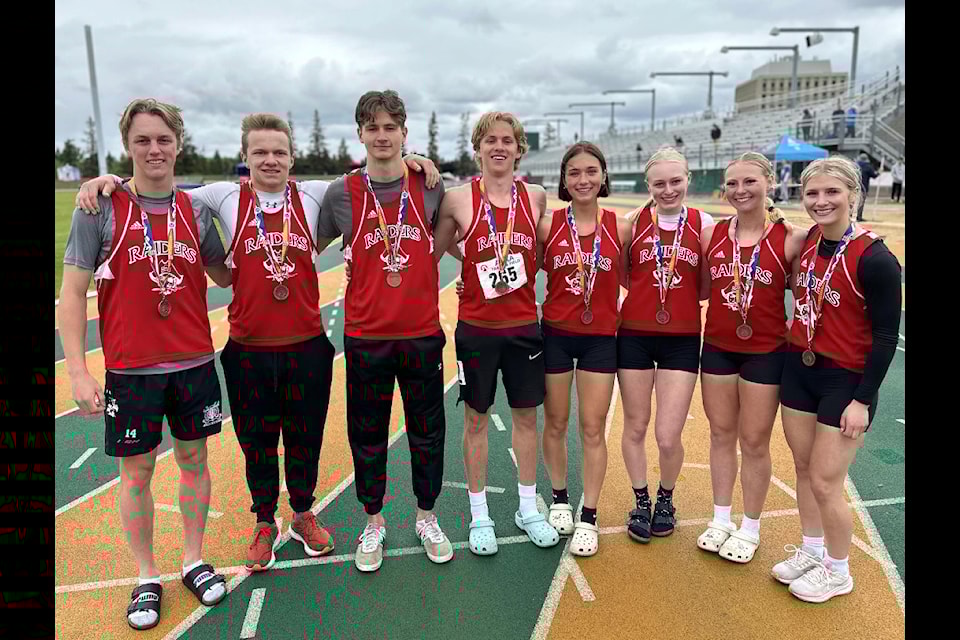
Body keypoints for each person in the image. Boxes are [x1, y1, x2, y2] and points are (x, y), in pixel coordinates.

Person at [75, 114, 440, 574]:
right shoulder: (218, 196)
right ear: (244, 158)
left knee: (305, 438)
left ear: (292, 158)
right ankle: (265, 519)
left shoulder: (316, 195)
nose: (270, 160)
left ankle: (303, 513)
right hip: (247, 348)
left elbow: (376, 169)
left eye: (279, 152)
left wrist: (413, 159)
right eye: (260, 153)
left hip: (307, 344)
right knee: (257, 441)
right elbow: (156, 186)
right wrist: (109, 181)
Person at [62, 98, 231, 630]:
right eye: (143, 140)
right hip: (131, 370)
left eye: (163, 139)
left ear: (178, 144)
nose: (153, 149)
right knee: (135, 473)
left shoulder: (197, 210)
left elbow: (224, 274)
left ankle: (193, 561)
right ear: (127, 145)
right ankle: (146, 576)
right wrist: (77, 370)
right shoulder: (99, 209)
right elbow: (71, 295)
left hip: (194, 363)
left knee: (195, 463)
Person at [317, 90, 451, 573]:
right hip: (366, 336)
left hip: (420, 334)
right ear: (360, 135)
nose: (381, 135)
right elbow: (301, 235)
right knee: (367, 434)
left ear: (403, 134)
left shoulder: (431, 186)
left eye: (389, 127)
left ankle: (426, 516)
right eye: (371, 127)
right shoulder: (340, 193)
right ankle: (373, 521)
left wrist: (422, 162)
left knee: (427, 432)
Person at [774, 155, 901, 602]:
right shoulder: (808, 240)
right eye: (813, 193)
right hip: (801, 370)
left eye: (832, 192)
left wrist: (863, 401)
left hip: (846, 382)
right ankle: (811, 550)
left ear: (853, 195)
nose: (821, 201)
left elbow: (887, 336)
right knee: (805, 470)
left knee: (827, 481)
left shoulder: (877, 258)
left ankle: (839, 569)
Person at [433, 111, 559, 555]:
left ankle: (528, 508)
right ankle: (479, 515)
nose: (499, 147)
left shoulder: (537, 197)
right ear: (478, 148)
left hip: (524, 327)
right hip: (477, 330)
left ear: (519, 149)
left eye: (507, 140)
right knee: (475, 420)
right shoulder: (456, 199)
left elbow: (547, 249)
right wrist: (470, 263)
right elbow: (437, 248)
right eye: (490, 140)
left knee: (527, 418)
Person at [696, 151, 805, 565]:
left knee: (755, 441)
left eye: (749, 182)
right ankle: (720, 517)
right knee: (721, 434)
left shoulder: (790, 238)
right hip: (719, 347)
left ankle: (750, 526)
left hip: (766, 352)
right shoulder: (713, 235)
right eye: (732, 183)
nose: (740, 190)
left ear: (770, 183)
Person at [618, 147, 715, 544]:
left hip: (682, 339)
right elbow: (623, 274)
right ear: (649, 186)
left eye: (676, 181)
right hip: (635, 336)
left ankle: (666, 497)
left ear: (688, 180)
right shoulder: (632, 223)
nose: (668, 189)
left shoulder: (704, 224)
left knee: (667, 435)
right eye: (660, 183)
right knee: (635, 426)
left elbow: (708, 282)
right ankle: (641, 499)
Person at [535, 142, 623, 557]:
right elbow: (510, 267)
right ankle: (559, 498)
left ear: (603, 176)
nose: (583, 180)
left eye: (591, 171)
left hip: (601, 338)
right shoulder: (547, 226)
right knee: (555, 421)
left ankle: (589, 515)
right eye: (574, 173)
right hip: (555, 332)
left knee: (592, 426)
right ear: (564, 180)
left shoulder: (620, 227)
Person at [855, 153, 878, 221]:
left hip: (853, 186)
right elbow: (874, 175)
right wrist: (879, 172)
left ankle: (851, 216)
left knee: (853, 202)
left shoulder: (855, 165)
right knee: (861, 202)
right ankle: (858, 217)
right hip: (863, 187)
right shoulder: (868, 166)